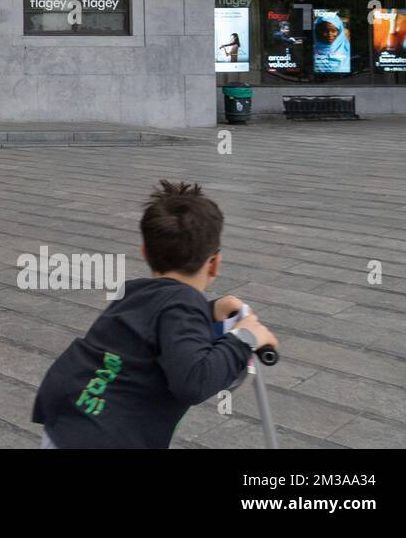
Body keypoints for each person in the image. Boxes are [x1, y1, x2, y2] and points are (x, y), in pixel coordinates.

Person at [32, 180, 279, 449]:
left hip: (70, 424)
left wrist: (210, 311)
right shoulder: (183, 304)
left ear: (145, 252)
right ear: (214, 264)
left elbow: (159, 328)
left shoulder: (133, 293)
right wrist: (245, 337)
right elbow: (194, 381)